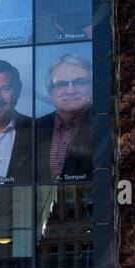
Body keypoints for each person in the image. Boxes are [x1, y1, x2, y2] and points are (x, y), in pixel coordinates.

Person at [34, 54, 93, 183]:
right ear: (50, 92)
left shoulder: (104, 123)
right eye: (61, 84)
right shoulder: (34, 128)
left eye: (80, 82)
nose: (70, 90)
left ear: (92, 87)